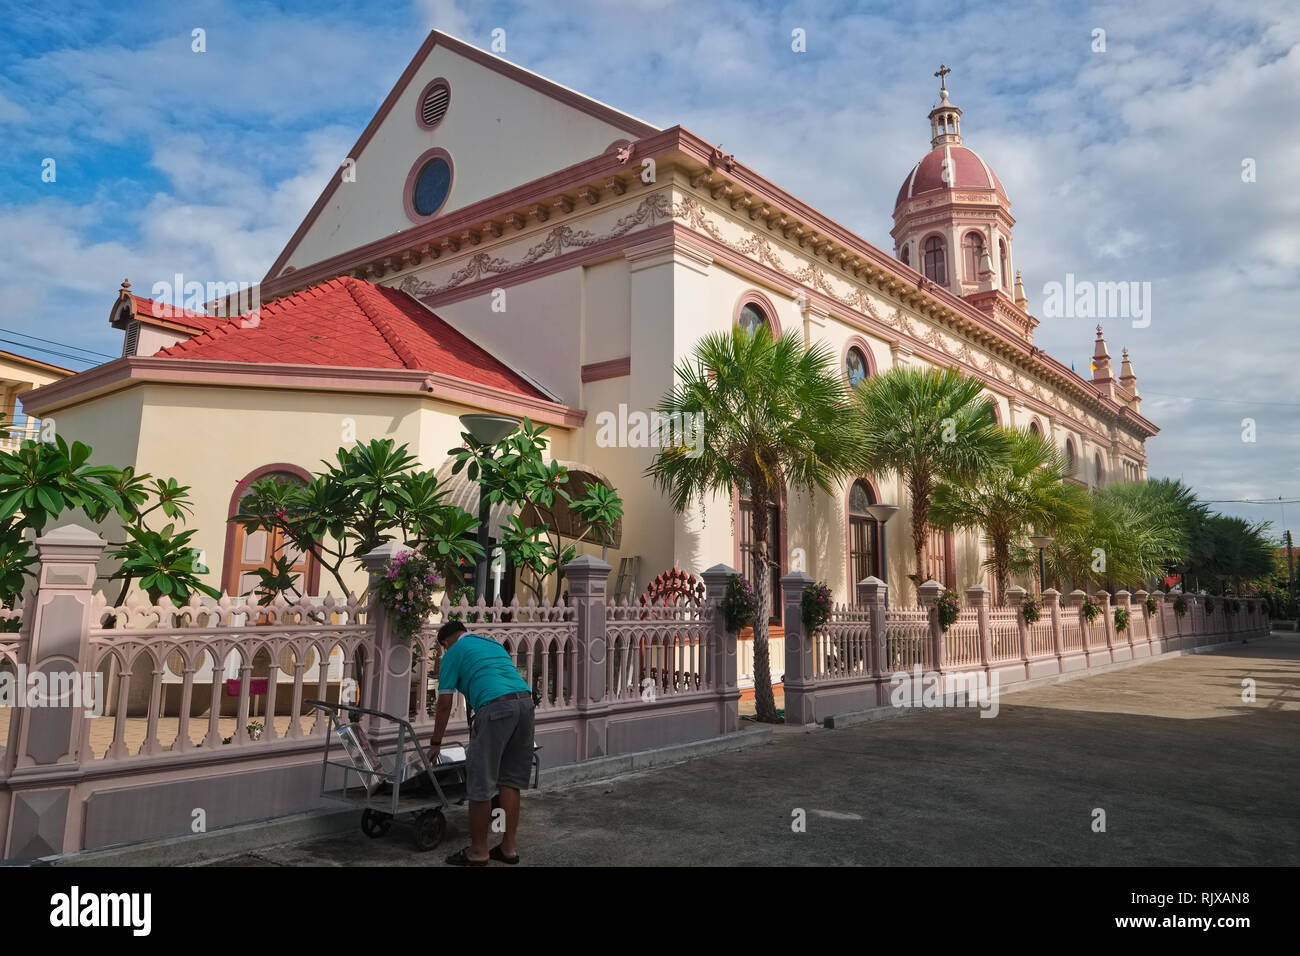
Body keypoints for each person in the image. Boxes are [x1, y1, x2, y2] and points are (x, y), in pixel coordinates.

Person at [428, 620, 535, 866]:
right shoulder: (490, 643)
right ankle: (508, 848)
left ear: (445, 642)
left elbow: (444, 704)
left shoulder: (453, 652)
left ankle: (478, 852)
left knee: (481, 783)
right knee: (509, 782)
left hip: (496, 708)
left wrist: (436, 743)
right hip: (525, 704)